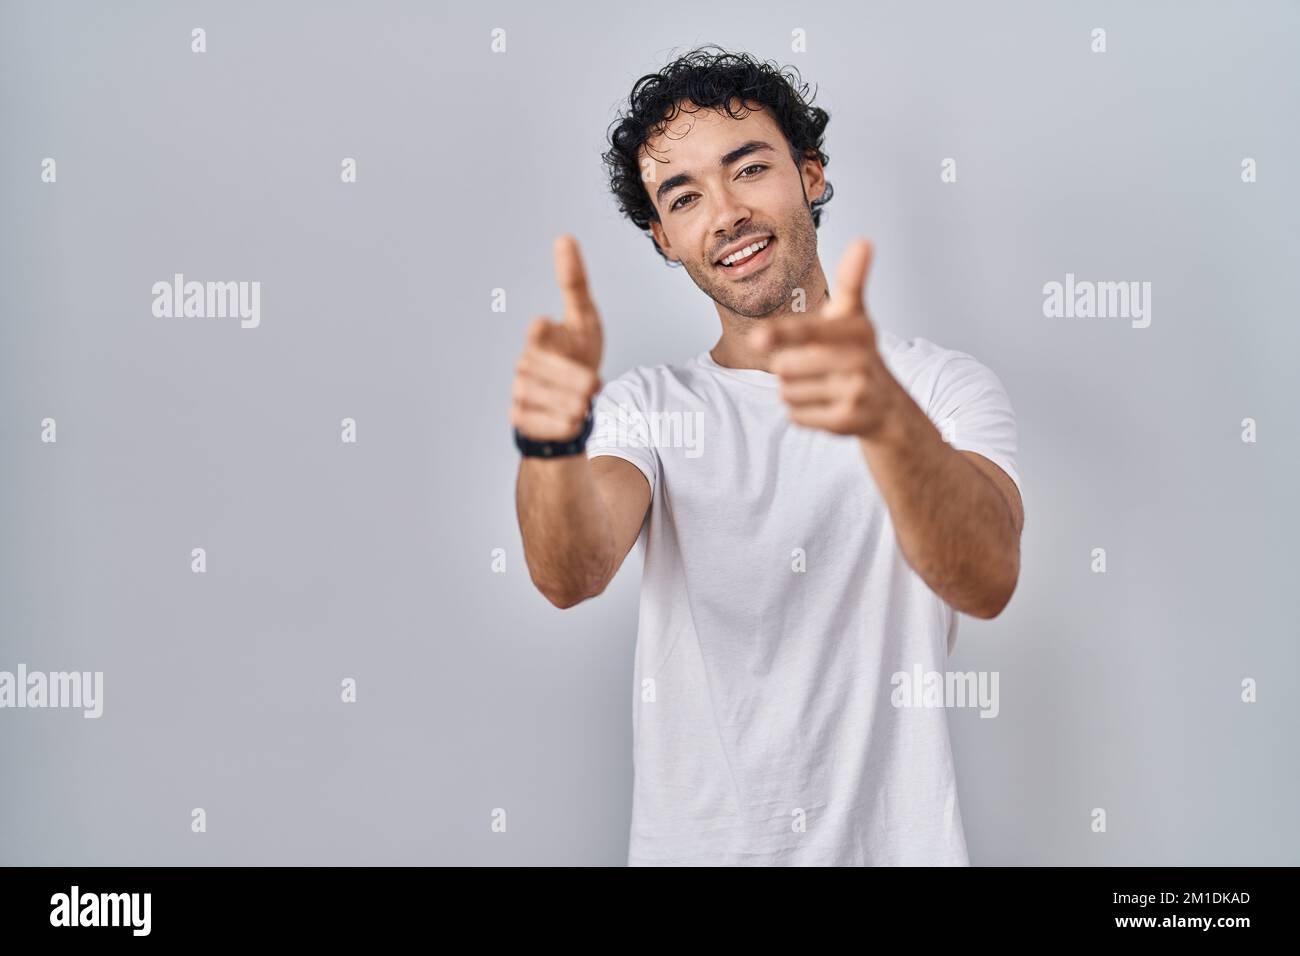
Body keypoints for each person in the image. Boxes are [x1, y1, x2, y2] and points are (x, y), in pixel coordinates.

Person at [509, 47, 1024, 865]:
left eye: (749, 169)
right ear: (664, 239)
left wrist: (886, 419)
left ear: (811, 175)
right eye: (684, 197)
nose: (725, 214)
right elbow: (570, 574)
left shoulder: (940, 387)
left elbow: (986, 578)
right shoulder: (647, 409)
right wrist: (548, 445)